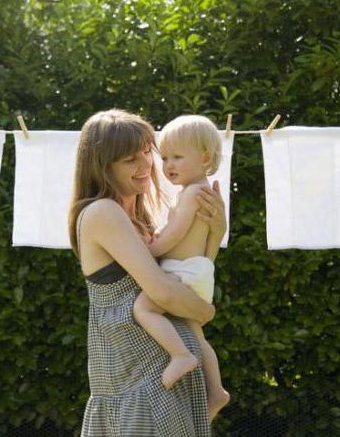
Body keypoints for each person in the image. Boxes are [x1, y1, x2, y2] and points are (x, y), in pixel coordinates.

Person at [69, 109, 226, 436]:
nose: (146, 165)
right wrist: (205, 312)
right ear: (103, 165)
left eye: (146, 152)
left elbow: (196, 266)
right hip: (135, 383)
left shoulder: (140, 217)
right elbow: (164, 293)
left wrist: (217, 228)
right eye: (130, 160)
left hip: (161, 382)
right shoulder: (103, 212)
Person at [133, 115, 230, 421]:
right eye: (164, 158)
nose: (168, 165)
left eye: (177, 156)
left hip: (184, 270)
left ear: (204, 158)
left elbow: (174, 234)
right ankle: (216, 392)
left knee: (144, 309)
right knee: (196, 333)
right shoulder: (203, 192)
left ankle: (180, 355)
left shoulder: (191, 194)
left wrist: (148, 252)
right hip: (198, 270)